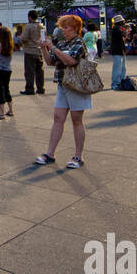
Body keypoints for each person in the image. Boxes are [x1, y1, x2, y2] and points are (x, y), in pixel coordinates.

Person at [35, 14, 91, 169]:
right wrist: (44, 49)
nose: (63, 30)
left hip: (76, 86)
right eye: (62, 27)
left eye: (66, 27)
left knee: (76, 120)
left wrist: (52, 47)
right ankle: (50, 153)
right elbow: (50, 61)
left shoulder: (79, 43)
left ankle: (78, 156)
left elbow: (71, 60)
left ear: (75, 28)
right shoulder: (61, 43)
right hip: (62, 84)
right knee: (58, 118)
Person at [17, 10, 44, 95]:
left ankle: (30, 89)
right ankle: (40, 88)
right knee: (39, 71)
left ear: (29, 17)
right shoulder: (42, 26)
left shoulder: (29, 26)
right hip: (39, 51)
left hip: (30, 51)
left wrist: (20, 39)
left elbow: (24, 38)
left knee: (29, 71)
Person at [107, 15, 128, 89]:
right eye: (123, 21)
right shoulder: (116, 29)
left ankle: (121, 81)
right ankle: (115, 83)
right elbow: (124, 35)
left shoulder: (118, 28)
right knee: (117, 68)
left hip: (120, 50)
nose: (124, 22)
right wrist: (125, 30)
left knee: (122, 67)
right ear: (120, 22)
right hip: (117, 50)